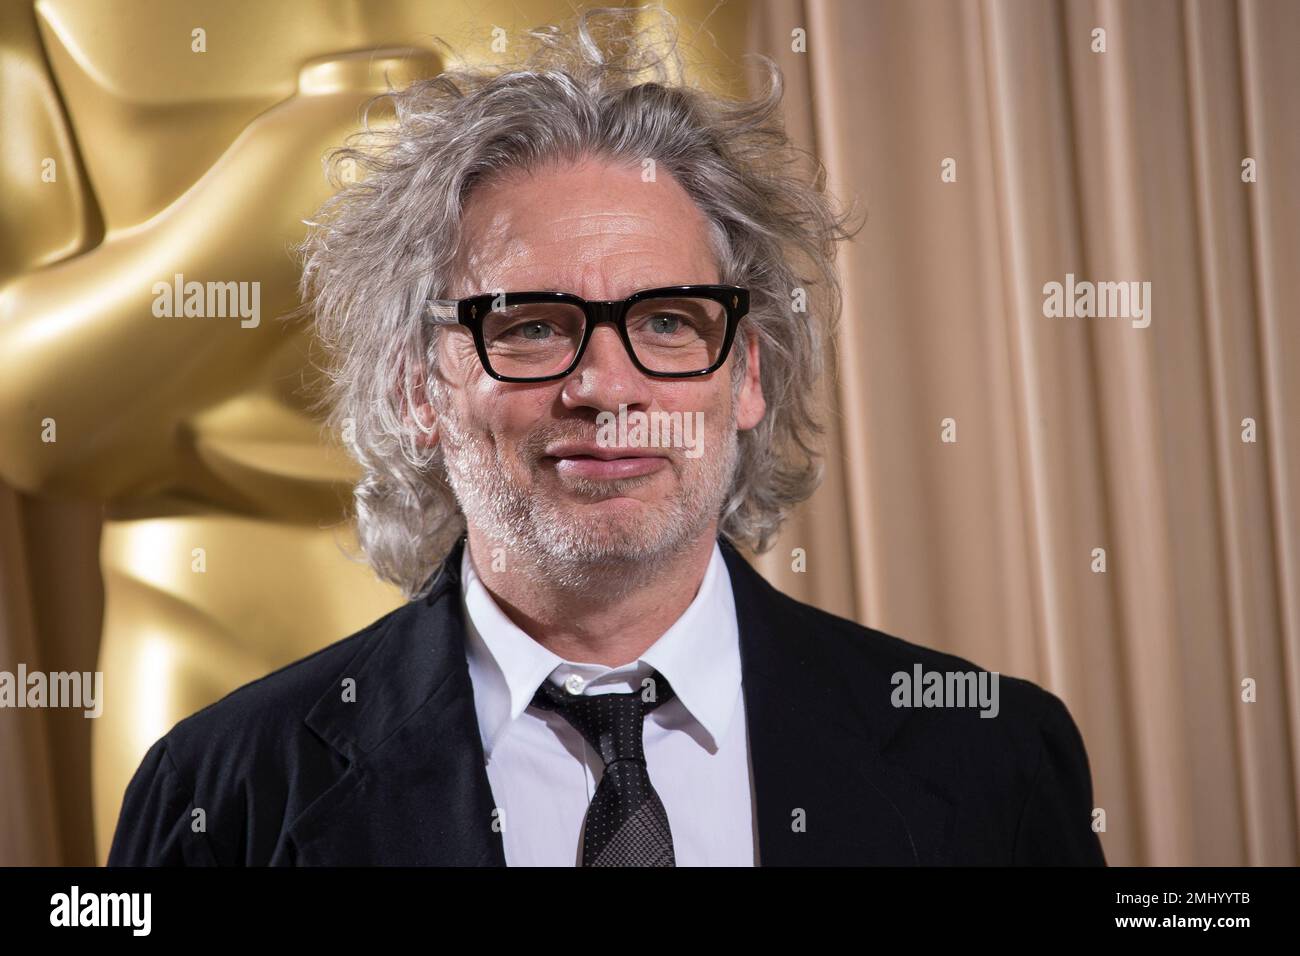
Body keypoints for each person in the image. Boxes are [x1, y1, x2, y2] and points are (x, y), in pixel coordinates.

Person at [108, 6, 1105, 867]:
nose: (604, 386)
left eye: (669, 321)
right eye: (532, 326)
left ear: (747, 372)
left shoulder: (992, 751)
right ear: (417, 384)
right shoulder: (223, 791)